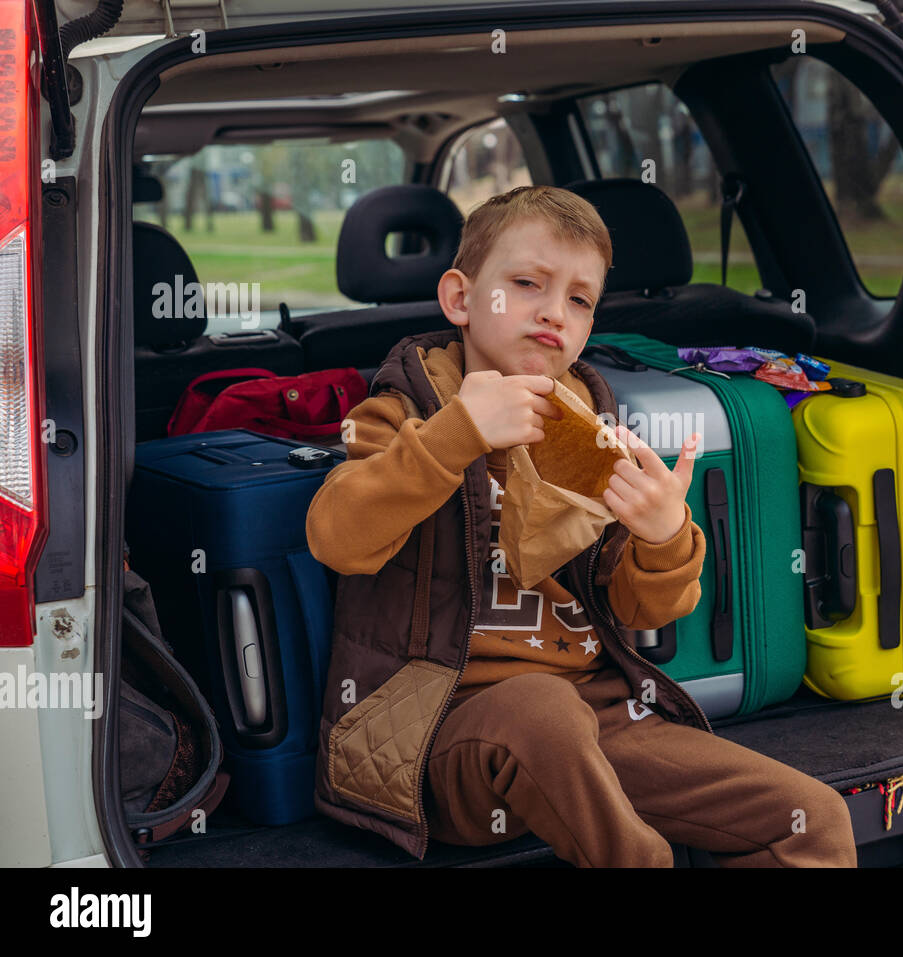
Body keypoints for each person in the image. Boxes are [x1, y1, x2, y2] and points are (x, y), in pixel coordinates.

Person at [306, 185, 856, 867]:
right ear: (460, 299)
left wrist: (663, 535)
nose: (553, 312)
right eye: (527, 283)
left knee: (813, 819)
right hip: (439, 729)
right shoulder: (404, 411)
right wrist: (456, 436)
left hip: (593, 718)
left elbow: (641, 607)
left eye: (578, 299)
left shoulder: (590, 428)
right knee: (542, 709)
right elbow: (337, 537)